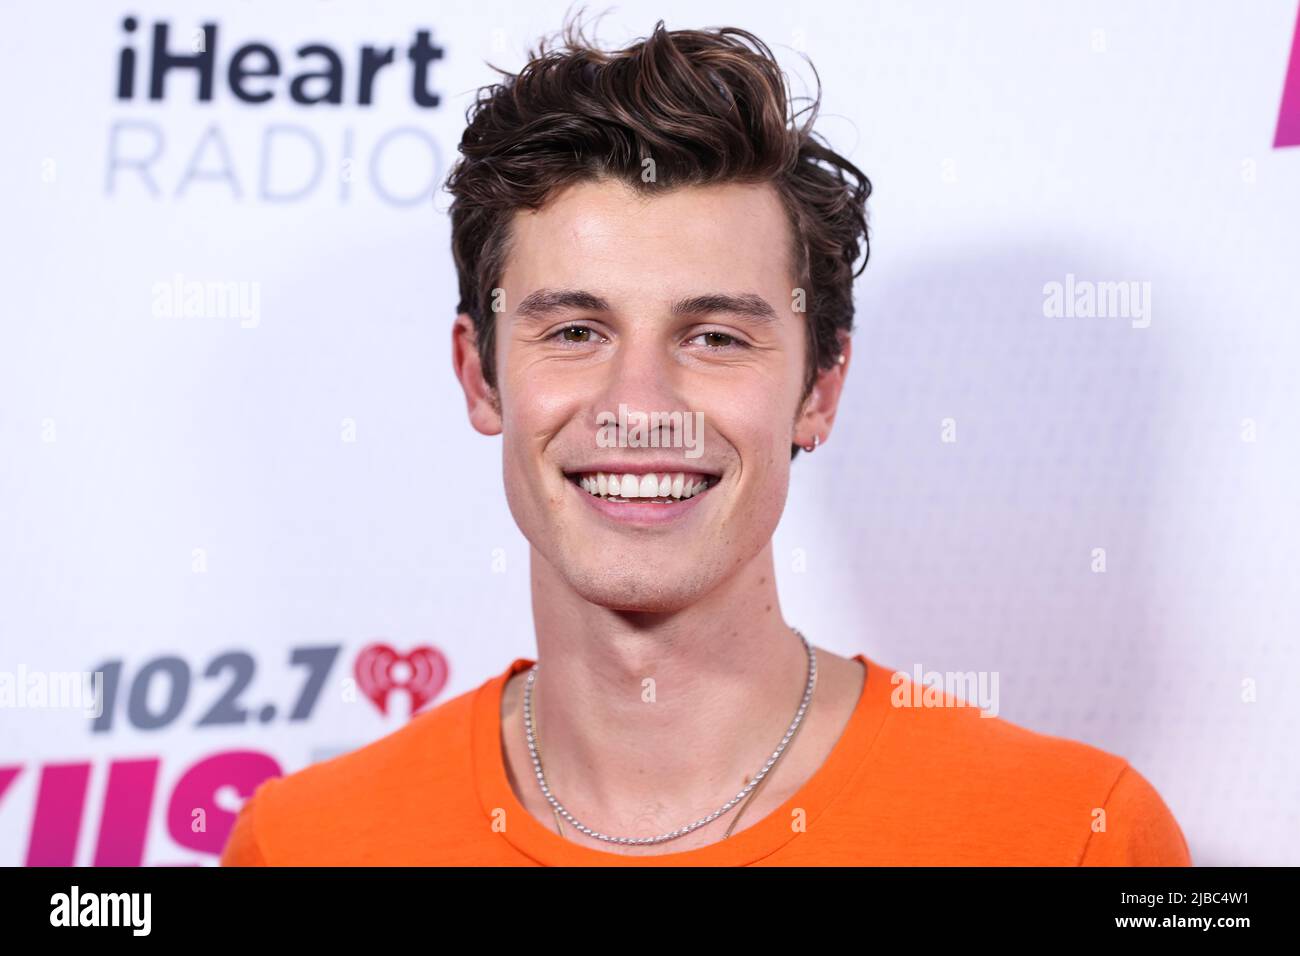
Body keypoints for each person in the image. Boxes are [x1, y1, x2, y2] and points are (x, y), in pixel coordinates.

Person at [220, 16, 1191, 866]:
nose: (640, 404)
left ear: (820, 388)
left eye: (715, 336)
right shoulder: (305, 842)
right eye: (574, 331)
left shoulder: (1073, 833)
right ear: (479, 375)